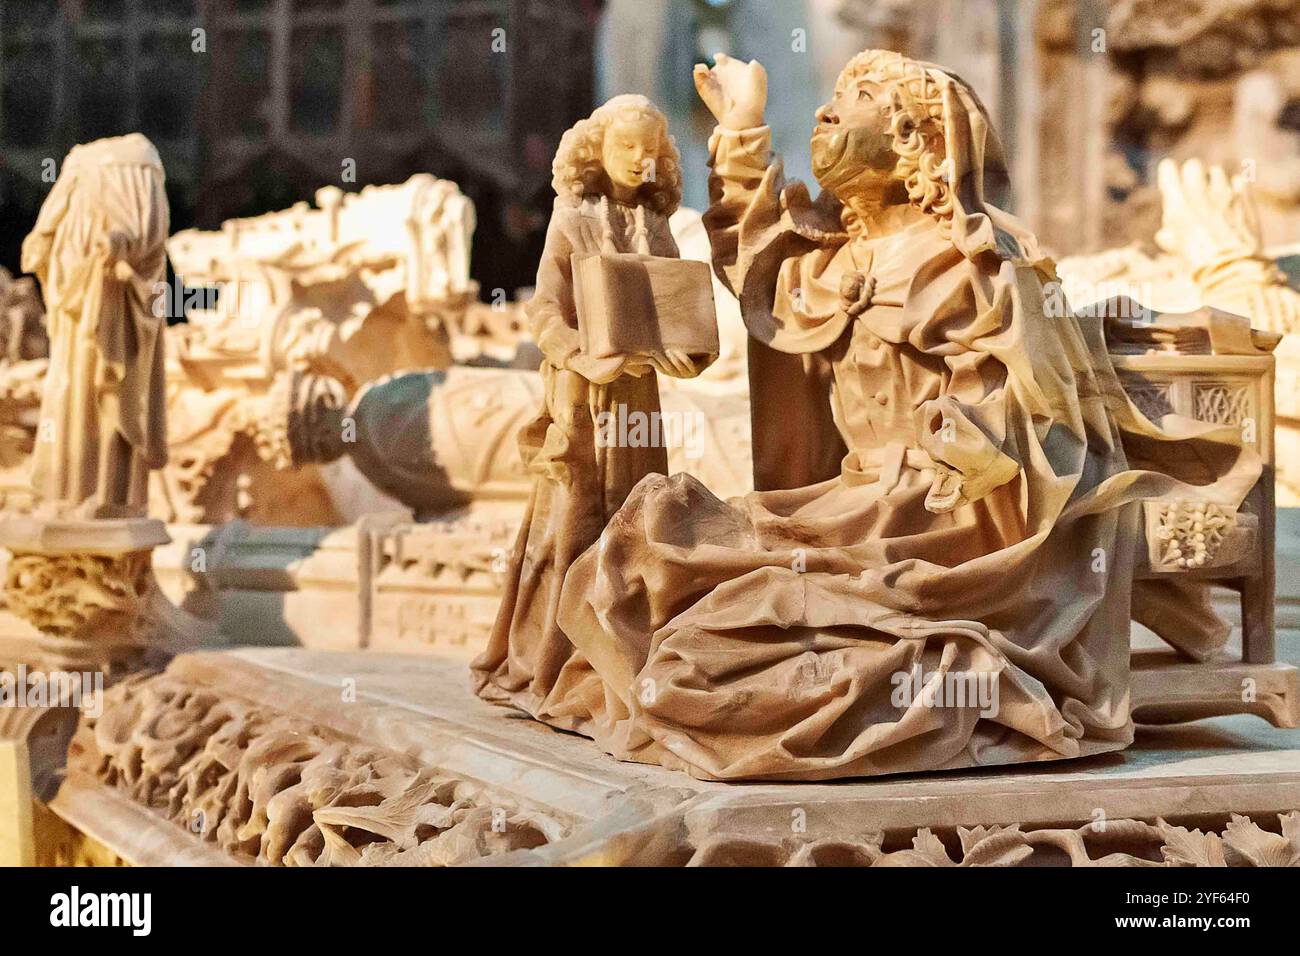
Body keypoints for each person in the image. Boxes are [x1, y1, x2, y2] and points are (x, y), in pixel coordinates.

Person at [553, 50, 1259, 781]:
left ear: (916, 142)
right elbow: (758, 266)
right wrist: (740, 126)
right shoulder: (831, 261)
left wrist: (967, 437)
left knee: (727, 625)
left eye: (855, 97)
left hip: (954, 524)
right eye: (830, 95)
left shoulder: (975, 263)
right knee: (650, 548)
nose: (826, 111)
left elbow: (1043, 417)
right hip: (859, 504)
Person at [472, 95, 698, 725]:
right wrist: (584, 354)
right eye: (627, 147)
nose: (640, 160)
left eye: (651, 150)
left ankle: (618, 660)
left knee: (636, 518)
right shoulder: (570, 222)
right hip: (581, 396)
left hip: (638, 400)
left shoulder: (656, 227)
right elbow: (544, 310)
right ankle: (544, 665)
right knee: (570, 524)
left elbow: (675, 311)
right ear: (597, 150)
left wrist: (679, 353)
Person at [21, 133, 169, 519]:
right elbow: (41, 244)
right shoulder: (86, 169)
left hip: (113, 312)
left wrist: (119, 253)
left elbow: (146, 245)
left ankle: (107, 498)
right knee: (72, 394)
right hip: (77, 318)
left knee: (108, 399)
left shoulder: (135, 167)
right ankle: (66, 494)